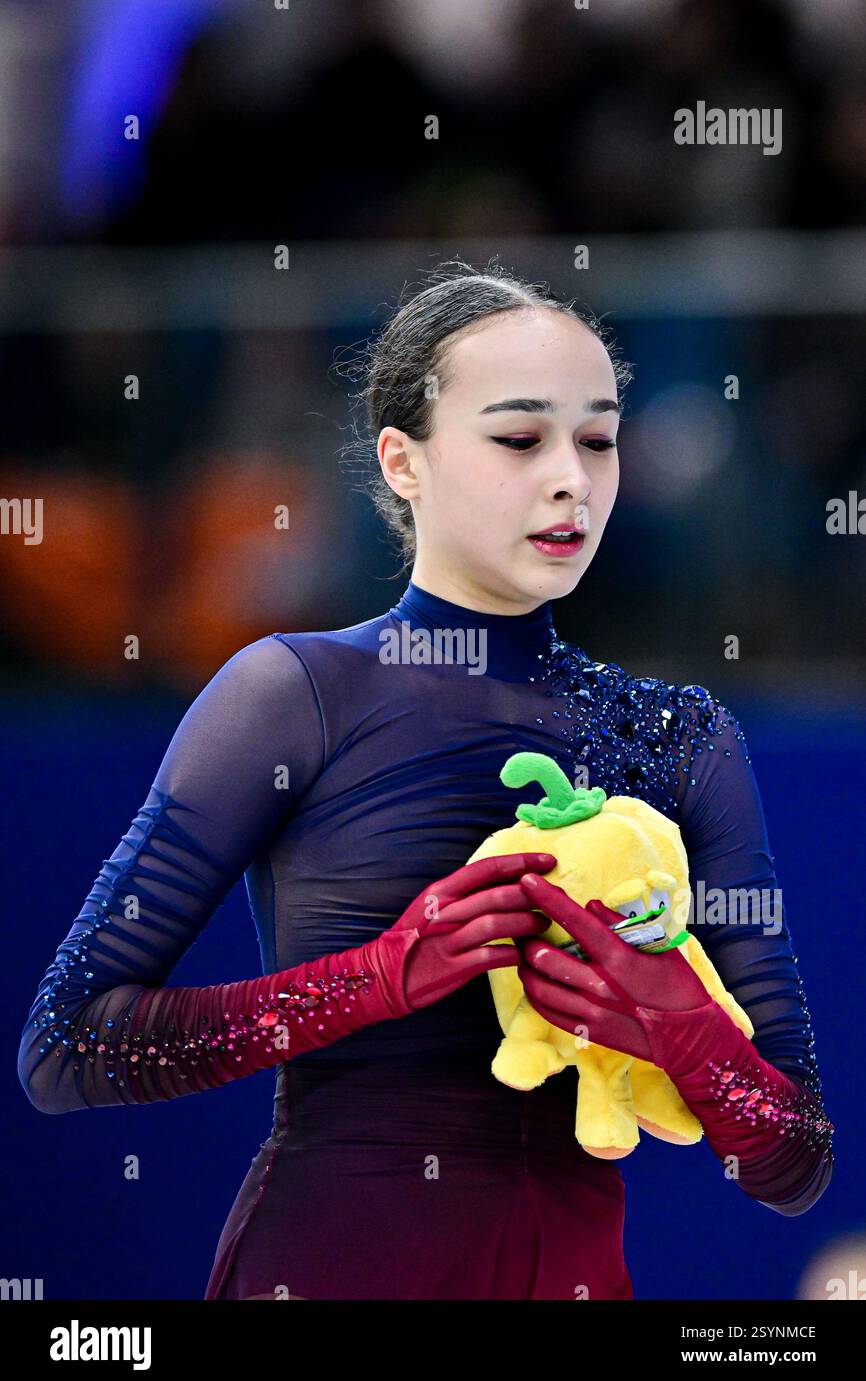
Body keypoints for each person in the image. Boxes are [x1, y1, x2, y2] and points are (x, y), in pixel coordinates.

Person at [18, 261, 834, 1300]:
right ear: (402, 461)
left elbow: (792, 1160)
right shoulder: (294, 692)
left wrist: (680, 1024)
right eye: (517, 437)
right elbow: (67, 1047)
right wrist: (374, 978)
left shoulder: (683, 736)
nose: (570, 479)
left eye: (596, 437)